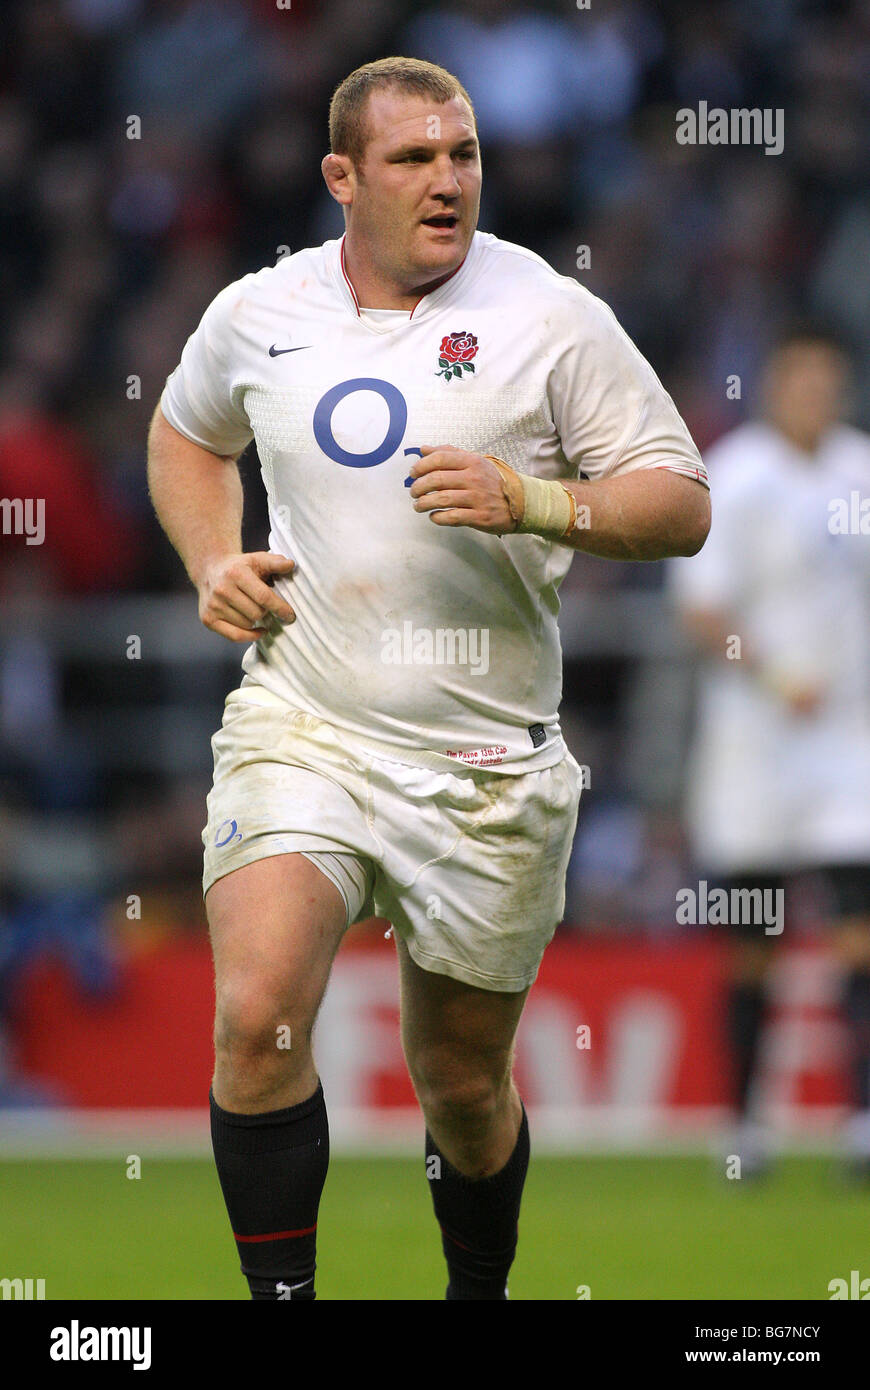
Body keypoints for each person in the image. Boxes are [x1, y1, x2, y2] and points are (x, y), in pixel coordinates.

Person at [147, 56, 709, 1301]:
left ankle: (477, 1293)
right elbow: (189, 431)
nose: (447, 180)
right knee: (257, 1021)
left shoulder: (552, 314)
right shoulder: (261, 310)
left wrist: (534, 499)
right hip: (308, 724)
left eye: (462, 155)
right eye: (414, 159)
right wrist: (209, 556)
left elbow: (679, 505)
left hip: (484, 763)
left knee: (461, 1083)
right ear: (343, 177)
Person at [670, 325, 870, 1177]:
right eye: (801, 381)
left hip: (851, 741)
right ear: (775, 386)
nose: (815, 395)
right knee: (753, 936)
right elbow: (702, 610)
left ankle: (861, 1120)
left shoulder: (861, 471)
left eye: (829, 381)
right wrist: (774, 673)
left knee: (859, 932)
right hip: (756, 742)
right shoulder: (740, 476)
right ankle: (746, 1125)